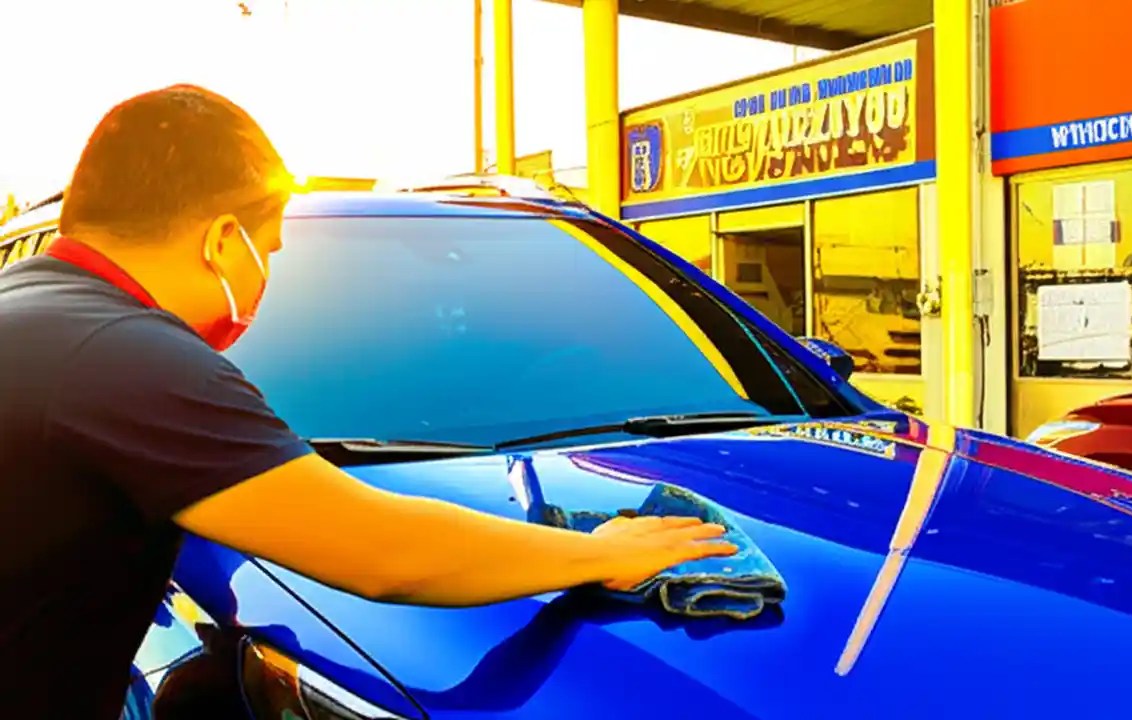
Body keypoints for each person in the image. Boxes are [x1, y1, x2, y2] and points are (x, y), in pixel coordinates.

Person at [0, 84, 736, 718]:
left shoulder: (31, 304)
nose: (265, 278)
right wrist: (598, 552)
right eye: (270, 250)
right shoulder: (127, 353)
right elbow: (385, 553)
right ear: (223, 241)